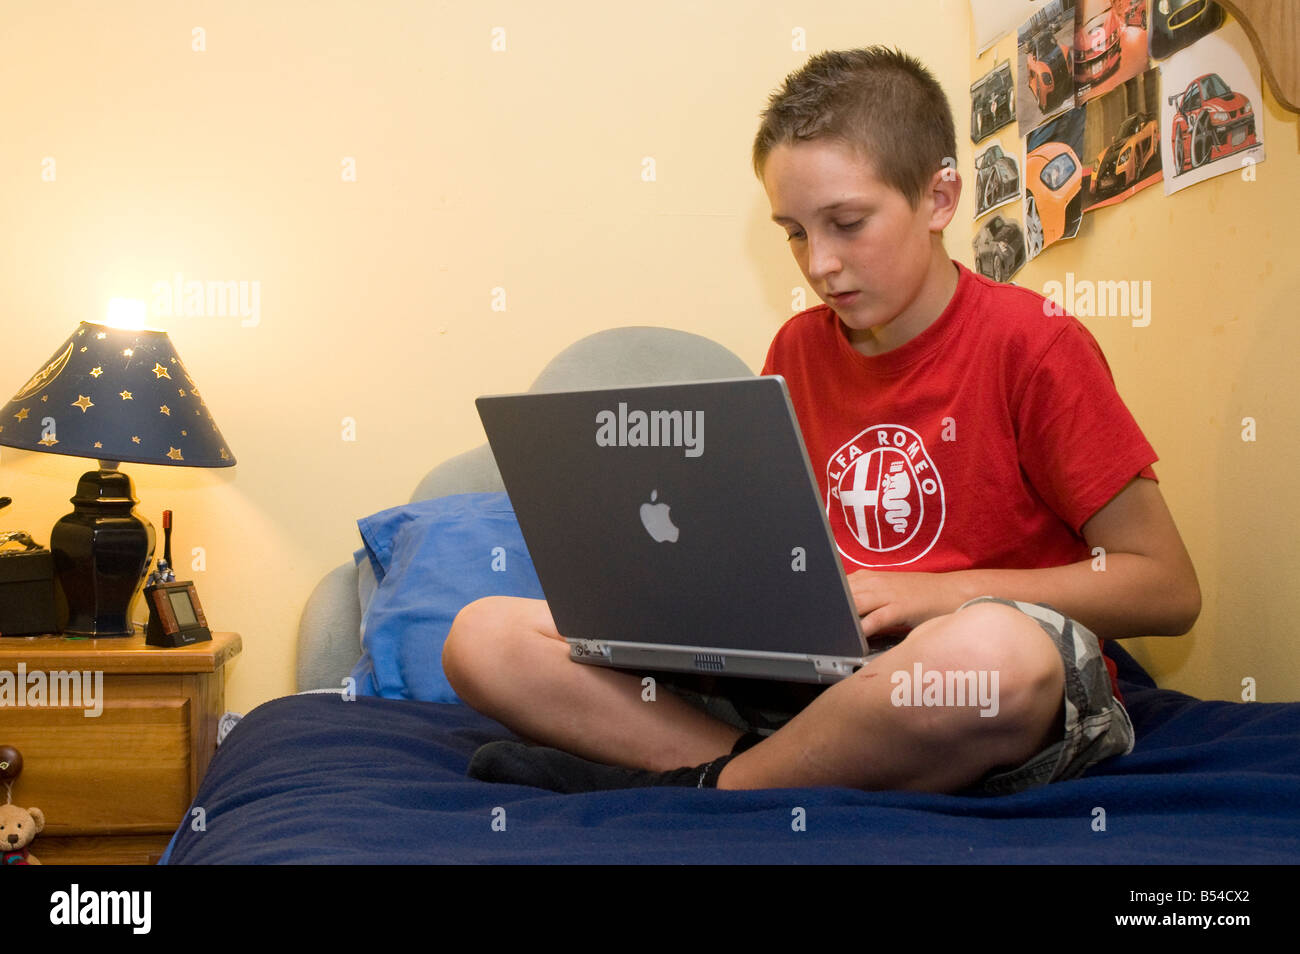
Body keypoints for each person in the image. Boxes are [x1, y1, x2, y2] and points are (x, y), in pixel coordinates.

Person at [442, 46, 1200, 795]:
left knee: (991, 657)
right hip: (823, 679)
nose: (819, 265)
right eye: (795, 232)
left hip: (959, 674)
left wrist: (939, 595)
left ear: (940, 199)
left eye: (846, 222)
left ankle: (712, 783)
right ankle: (753, 770)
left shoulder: (1035, 344)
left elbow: (1164, 588)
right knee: (482, 636)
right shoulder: (796, 349)